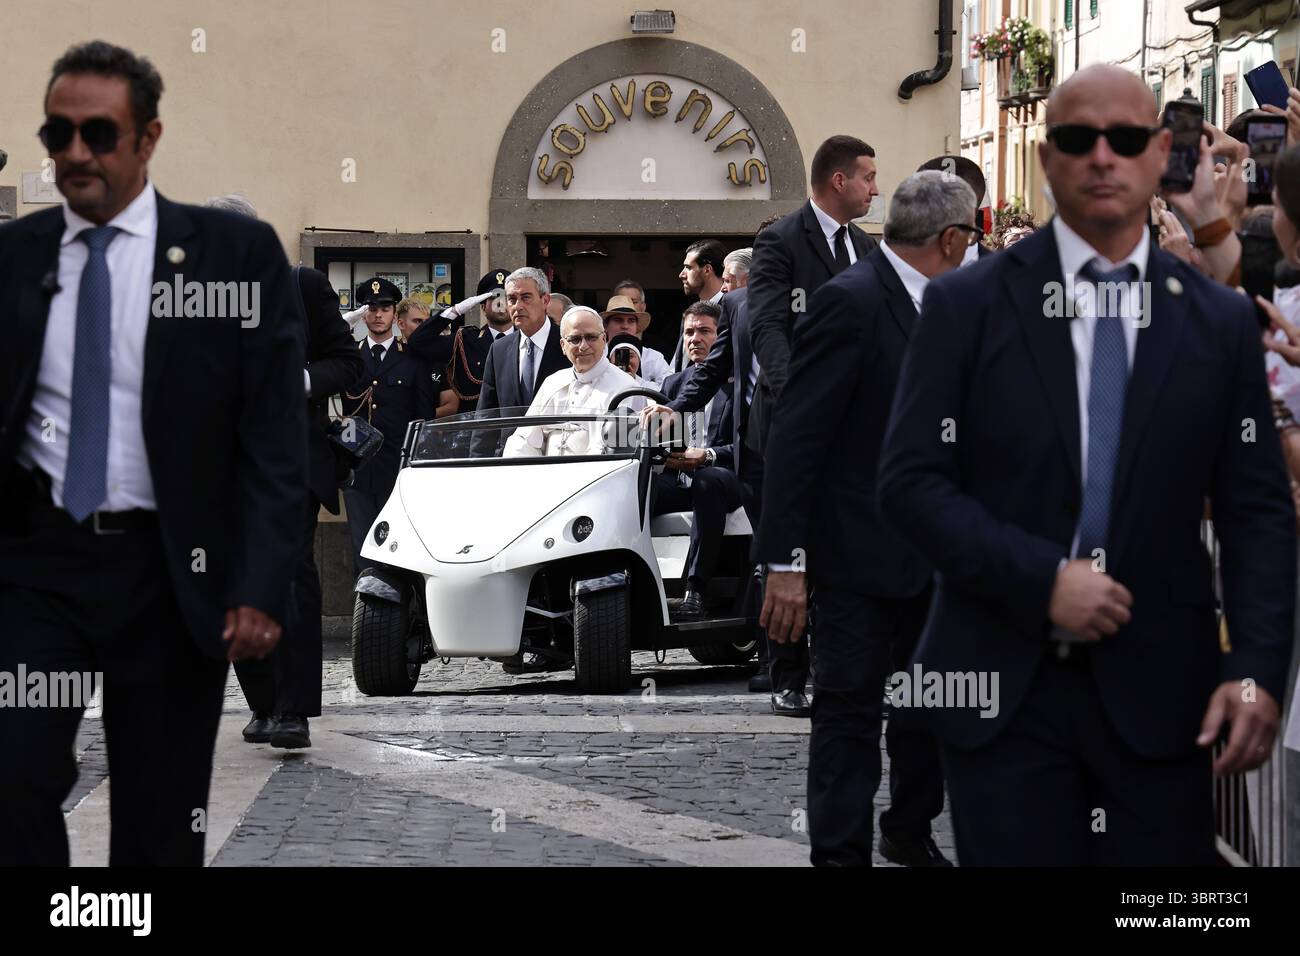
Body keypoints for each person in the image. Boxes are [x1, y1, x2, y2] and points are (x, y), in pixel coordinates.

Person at [876, 64, 1295, 865]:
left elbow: (1257, 513)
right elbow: (911, 484)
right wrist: (1044, 580)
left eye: (1126, 138)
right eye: (1078, 138)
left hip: (1165, 698)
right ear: (1046, 157)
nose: (1103, 156)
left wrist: (1256, 671)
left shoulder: (1214, 320)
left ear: (1159, 153)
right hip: (1000, 687)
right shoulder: (965, 308)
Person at [0, 41, 306, 865]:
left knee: (159, 819)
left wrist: (257, 583)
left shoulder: (233, 258)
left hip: (170, 575)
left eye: (98, 133)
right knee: (11, 777)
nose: (74, 154)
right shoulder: (15, 259)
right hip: (34, 571)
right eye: (56, 134)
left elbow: (274, 437)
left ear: (149, 137)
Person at [758, 171, 974, 867]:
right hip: (854, 557)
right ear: (951, 238)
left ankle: (909, 829)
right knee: (849, 713)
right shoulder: (848, 302)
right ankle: (840, 855)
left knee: (931, 710)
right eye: (972, 237)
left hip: (938, 557)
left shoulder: (962, 304)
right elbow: (798, 435)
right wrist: (786, 562)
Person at [204, 193, 362, 751]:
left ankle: (293, 710)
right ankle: (264, 702)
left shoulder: (301, 286)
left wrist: (294, 380)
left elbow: (349, 362)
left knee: (291, 573)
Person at [745, 135, 881, 713]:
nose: (877, 188)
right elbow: (767, 327)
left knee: (848, 549)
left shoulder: (867, 250)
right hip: (791, 425)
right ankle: (786, 676)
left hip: (855, 427)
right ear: (839, 180)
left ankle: (844, 670)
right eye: (869, 177)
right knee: (789, 549)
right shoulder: (779, 242)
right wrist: (800, 396)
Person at [340, 277, 441, 575]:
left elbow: (423, 417)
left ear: (394, 314)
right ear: (363, 314)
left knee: (397, 545)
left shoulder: (412, 360)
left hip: (397, 468)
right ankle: (367, 612)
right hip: (357, 469)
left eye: (384, 307)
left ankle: (398, 615)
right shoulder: (349, 357)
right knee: (362, 547)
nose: (378, 314)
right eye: (371, 308)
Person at [651, 302, 743, 618]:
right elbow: (659, 442)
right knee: (636, 484)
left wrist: (708, 455)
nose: (694, 339)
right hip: (680, 478)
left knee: (709, 480)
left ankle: (695, 589)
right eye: (689, 332)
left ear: (723, 338)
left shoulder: (741, 383)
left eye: (704, 331)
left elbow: (755, 444)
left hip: (729, 475)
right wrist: (662, 455)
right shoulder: (673, 385)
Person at [503, 306, 641, 457]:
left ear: (604, 340)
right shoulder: (553, 383)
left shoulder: (627, 388)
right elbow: (524, 440)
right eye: (575, 339)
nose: (583, 346)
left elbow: (612, 456)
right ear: (563, 345)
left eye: (591, 337)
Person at [477, 267, 569, 420]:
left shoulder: (569, 343)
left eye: (526, 297)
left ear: (545, 300)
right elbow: (486, 415)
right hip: (510, 443)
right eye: (512, 299)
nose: (518, 306)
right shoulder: (499, 350)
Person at [396, 297, 458, 417]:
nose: (424, 327)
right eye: (418, 321)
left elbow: (450, 405)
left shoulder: (440, 357)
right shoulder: (390, 356)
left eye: (427, 322)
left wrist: (422, 417)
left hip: (428, 429)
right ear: (401, 323)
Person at [672, 239, 728, 372]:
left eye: (689, 267)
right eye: (690, 332)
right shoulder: (689, 315)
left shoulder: (731, 311)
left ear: (707, 270)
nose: (682, 275)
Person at [600, 293, 671, 387]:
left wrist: (635, 381)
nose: (625, 326)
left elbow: (668, 390)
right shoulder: (597, 355)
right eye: (618, 320)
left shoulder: (653, 357)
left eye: (631, 321)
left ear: (637, 327)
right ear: (605, 326)